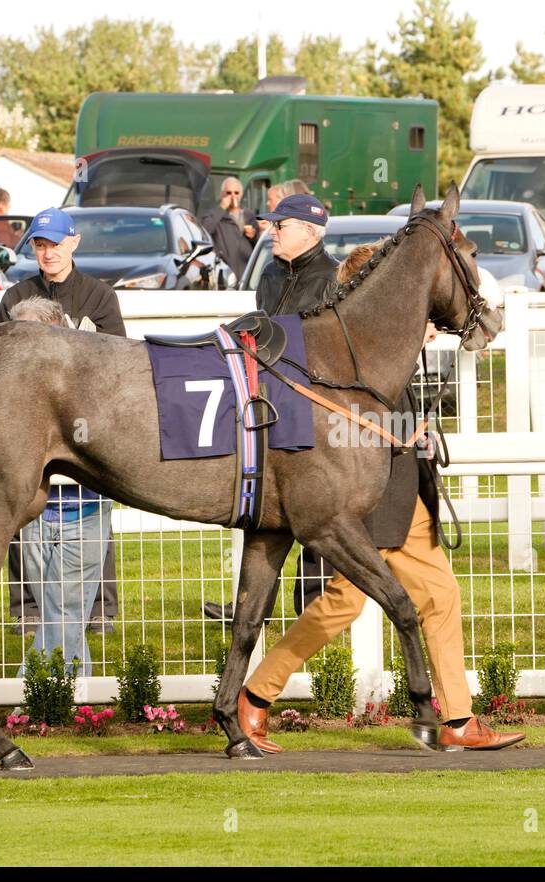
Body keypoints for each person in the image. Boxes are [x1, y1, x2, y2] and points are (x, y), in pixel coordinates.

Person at [233, 246, 524, 754]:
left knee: (438, 597)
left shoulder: (390, 341)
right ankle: (255, 693)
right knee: (341, 604)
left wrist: (417, 432)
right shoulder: (362, 347)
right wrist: (402, 432)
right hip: (368, 503)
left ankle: (457, 718)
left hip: (406, 497)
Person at [201, 192, 340, 622]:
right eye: (274, 224)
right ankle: (248, 603)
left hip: (313, 410)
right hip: (268, 402)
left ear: (309, 231)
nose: (272, 231)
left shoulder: (333, 278)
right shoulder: (270, 274)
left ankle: (313, 608)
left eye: (282, 225)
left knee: (315, 509)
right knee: (260, 503)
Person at [0, 207, 123, 634]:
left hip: (84, 415)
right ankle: (28, 606)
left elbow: (117, 357)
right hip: (29, 417)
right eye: (40, 244)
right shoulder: (15, 296)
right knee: (21, 500)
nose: (48, 253)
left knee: (93, 501)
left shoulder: (100, 296)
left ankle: (100, 605)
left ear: (74, 242)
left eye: (55, 243)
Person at [6, 296, 112, 677]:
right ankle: (75, 696)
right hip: (35, 514)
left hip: (83, 510)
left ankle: (30, 691)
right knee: (58, 610)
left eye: (26, 336)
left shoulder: (88, 373)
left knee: (64, 610)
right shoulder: (13, 386)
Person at [200, 177, 258, 278]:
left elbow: (258, 244)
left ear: (241, 194)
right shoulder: (214, 214)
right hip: (225, 273)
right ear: (222, 194)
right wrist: (221, 208)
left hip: (246, 272)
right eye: (229, 193)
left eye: (236, 193)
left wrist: (253, 236)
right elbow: (205, 232)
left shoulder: (249, 215)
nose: (233, 196)